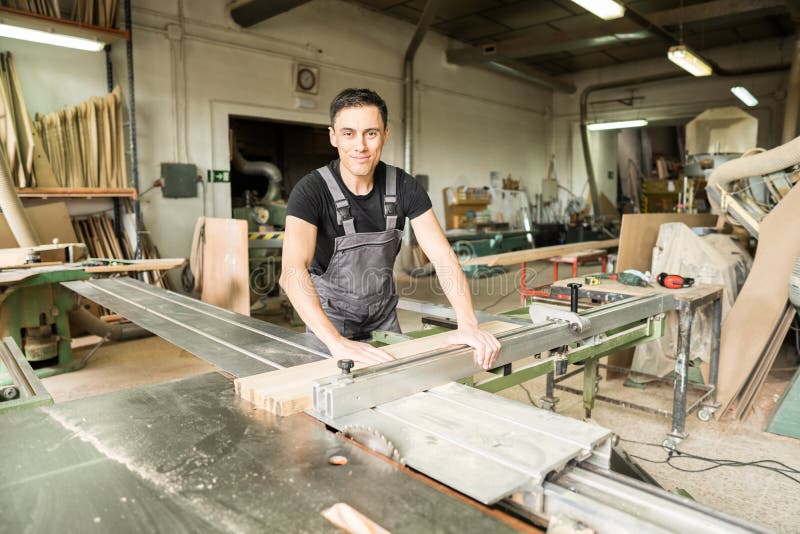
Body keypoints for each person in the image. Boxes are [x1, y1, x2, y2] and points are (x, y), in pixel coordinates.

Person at [280, 88, 501, 369]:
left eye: (370, 133)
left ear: (385, 134)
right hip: (328, 321)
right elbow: (291, 272)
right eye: (348, 133)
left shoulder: (403, 186)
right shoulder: (311, 191)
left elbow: (443, 257)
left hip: (383, 318)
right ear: (333, 136)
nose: (360, 145)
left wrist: (468, 324)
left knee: (400, 386)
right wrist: (337, 342)